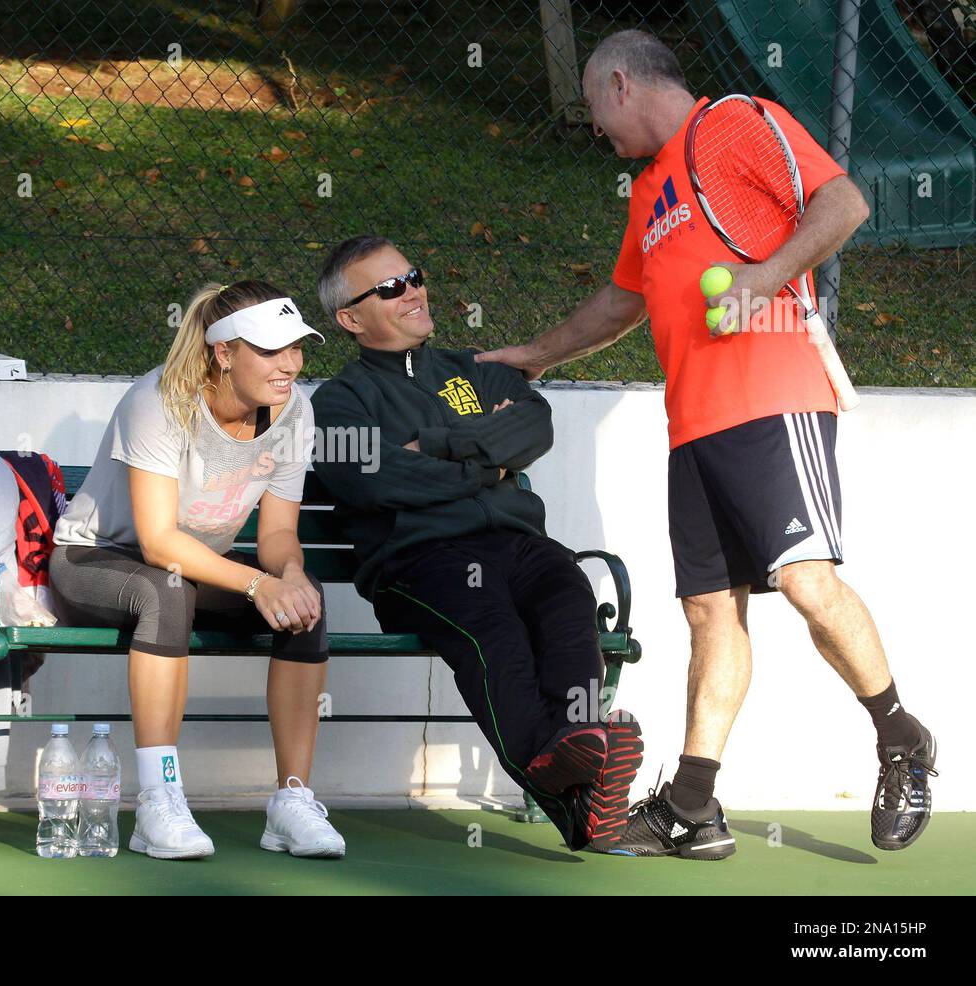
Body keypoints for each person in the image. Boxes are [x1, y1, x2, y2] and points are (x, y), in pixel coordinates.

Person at [478, 29, 936, 858]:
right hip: (693, 423)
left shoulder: (734, 121)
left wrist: (763, 276)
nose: (594, 128)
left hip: (774, 399)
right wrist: (535, 355)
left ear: (621, 83)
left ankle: (901, 737)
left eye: (592, 107)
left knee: (803, 580)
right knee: (709, 612)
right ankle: (694, 806)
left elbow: (844, 205)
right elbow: (624, 302)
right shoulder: (647, 188)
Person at [310, 235, 645, 853]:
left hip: (517, 543)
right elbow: (368, 477)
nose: (412, 291)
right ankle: (577, 781)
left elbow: (532, 424)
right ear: (351, 319)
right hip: (423, 561)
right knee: (493, 631)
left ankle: (577, 745)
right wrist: (484, 465)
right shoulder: (340, 399)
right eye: (389, 288)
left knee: (569, 593)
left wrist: (436, 448)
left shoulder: (476, 368)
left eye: (413, 276)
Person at [50, 280, 345, 860]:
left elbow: (279, 535)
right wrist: (258, 585)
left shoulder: (294, 410)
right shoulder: (158, 400)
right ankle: (157, 802)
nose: (289, 364)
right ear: (224, 352)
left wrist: (285, 578)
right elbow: (159, 542)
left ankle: (291, 801)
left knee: (305, 600)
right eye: (269, 350)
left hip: (192, 567)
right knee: (168, 590)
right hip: (95, 559)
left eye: (296, 348)